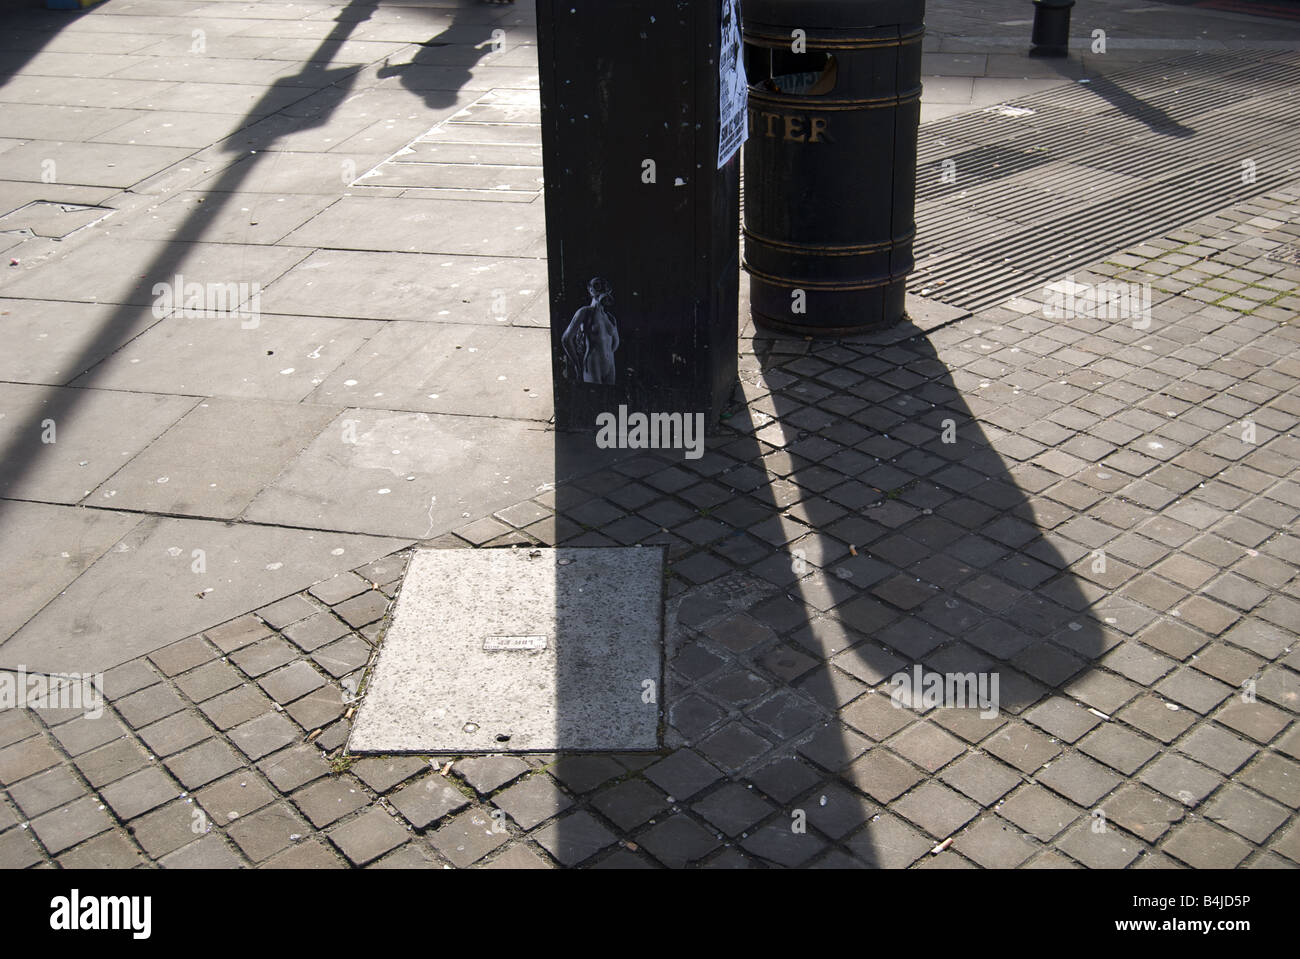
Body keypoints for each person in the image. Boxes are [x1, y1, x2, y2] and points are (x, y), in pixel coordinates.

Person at [561, 277, 619, 385]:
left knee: (609, 398)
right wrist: (577, 365)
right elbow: (566, 338)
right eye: (597, 285)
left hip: (610, 365)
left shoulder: (610, 317)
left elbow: (615, 344)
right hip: (593, 365)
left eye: (604, 285)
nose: (602, 288)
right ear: (590, 290)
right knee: (595, 398)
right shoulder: (585, 312)